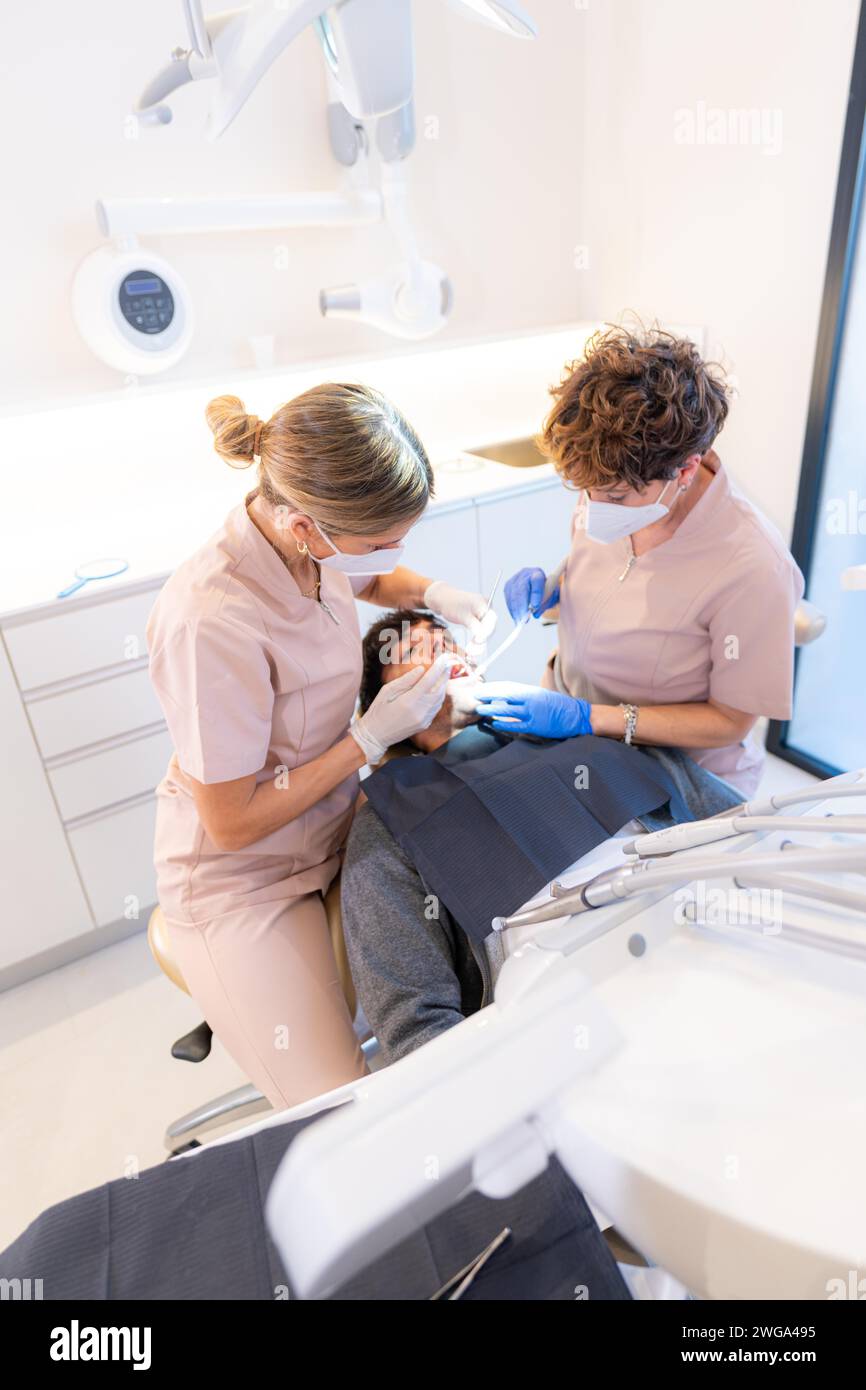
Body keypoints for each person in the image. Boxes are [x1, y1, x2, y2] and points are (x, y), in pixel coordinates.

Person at [146, 383, 496, 1110]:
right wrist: (369, 736)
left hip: (340, 825)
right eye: (379, 540)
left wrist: (438, 593)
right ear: (304, 527)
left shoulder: (315, 543)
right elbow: (233, 821)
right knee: (342, 1109)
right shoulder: (209, 622)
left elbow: (366, 571)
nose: (387, 556)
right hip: (243, 877)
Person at [341, 609, 743, 1066]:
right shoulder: (390, 821)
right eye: (414, 652)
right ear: (388, 708)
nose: (442, 650)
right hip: (574, 994)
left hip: (695, 916)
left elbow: (733, 819)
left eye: (445, 639)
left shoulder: (580, 734)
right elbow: (414, 1022)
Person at [485, 326, 805, 796]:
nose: (595, 508)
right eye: (586, 492)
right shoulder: (616, 479)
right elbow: (617, 583)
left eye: (612, 495)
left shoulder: (752, 566)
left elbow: (730, 722)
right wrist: (556, 593)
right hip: (572, 731)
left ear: (685, 470)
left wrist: (591, 719)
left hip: (668, 772)